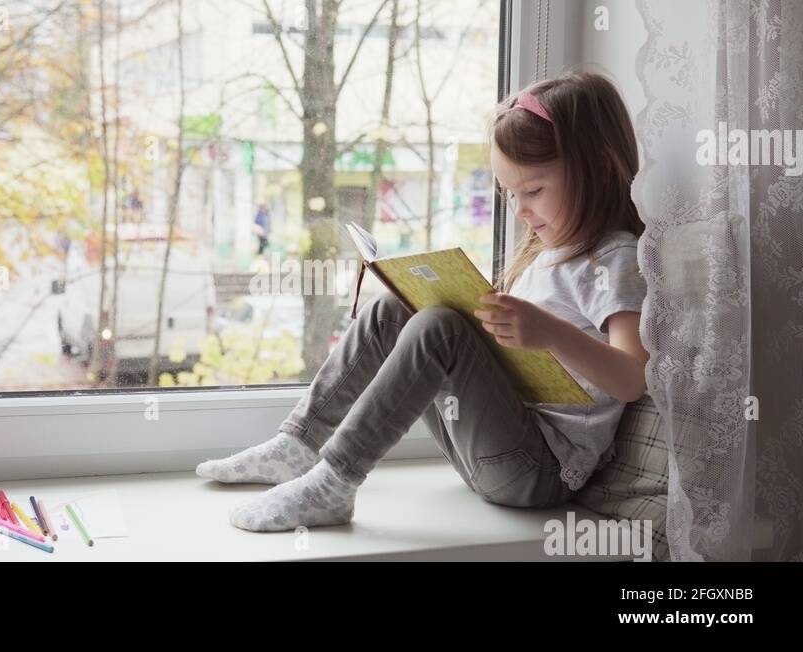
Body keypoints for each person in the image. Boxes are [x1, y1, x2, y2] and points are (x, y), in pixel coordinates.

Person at [197, 72, 649, 532]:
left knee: (442, 331)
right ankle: (298, 444)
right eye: (509, 194)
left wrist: (551, 332)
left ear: (596, 168)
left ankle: (335, 480)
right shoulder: (548, 256)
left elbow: (633, 378)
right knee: (393, 307)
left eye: (532, 191)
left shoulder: (616, 258)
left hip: (538, 472)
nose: (520, 209)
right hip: (491, 450)